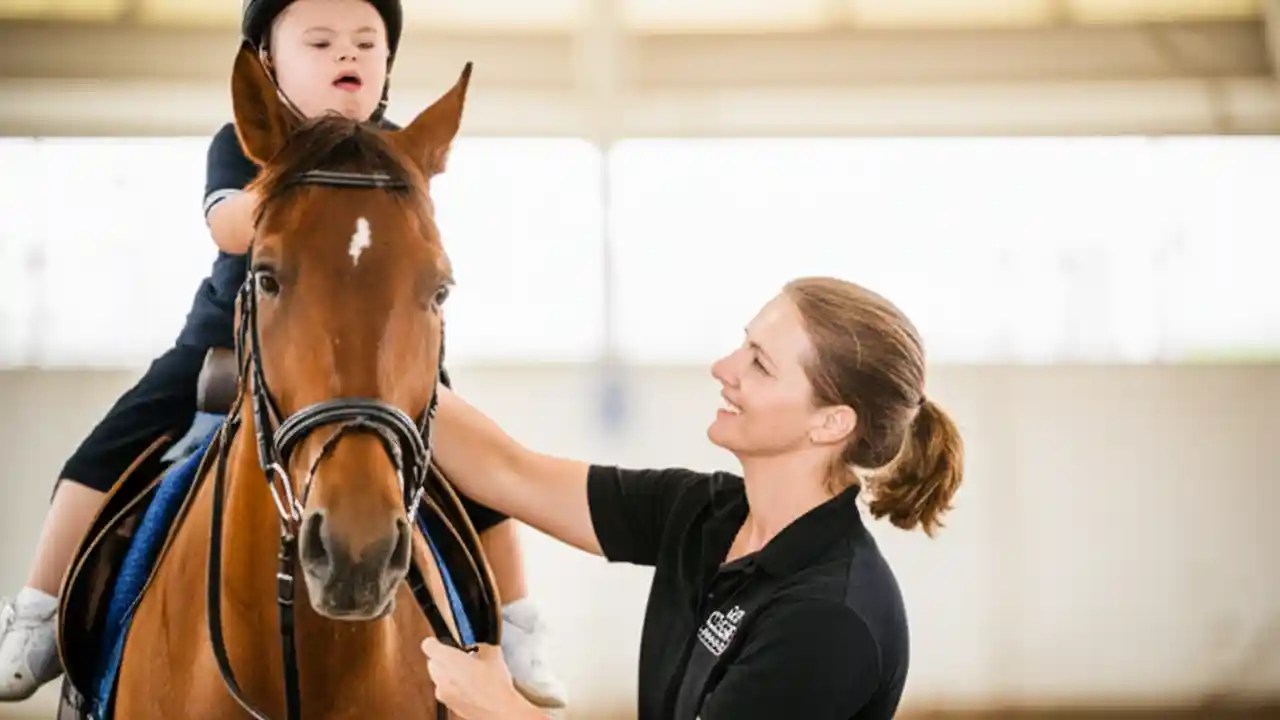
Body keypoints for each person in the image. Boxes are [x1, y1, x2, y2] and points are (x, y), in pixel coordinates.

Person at [0, 0, 566, 707]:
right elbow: (229, 227)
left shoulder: (392, 152)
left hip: (372, 354)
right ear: (267, 66)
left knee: (478, 473)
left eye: (367, 42)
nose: (347, 55)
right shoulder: (245, 142)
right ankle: (42, 608)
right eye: (321, 42)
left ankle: (515, 621)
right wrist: (291, 183)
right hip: (225, 345)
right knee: (104, 452)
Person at [417, 276, 966, 719]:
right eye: (743, 343)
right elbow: (511, 475)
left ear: (830, 422)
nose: (724, 368)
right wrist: (382, 361)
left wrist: (503, 711)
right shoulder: (709, 514)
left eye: (760, 362)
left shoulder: (830, 617)